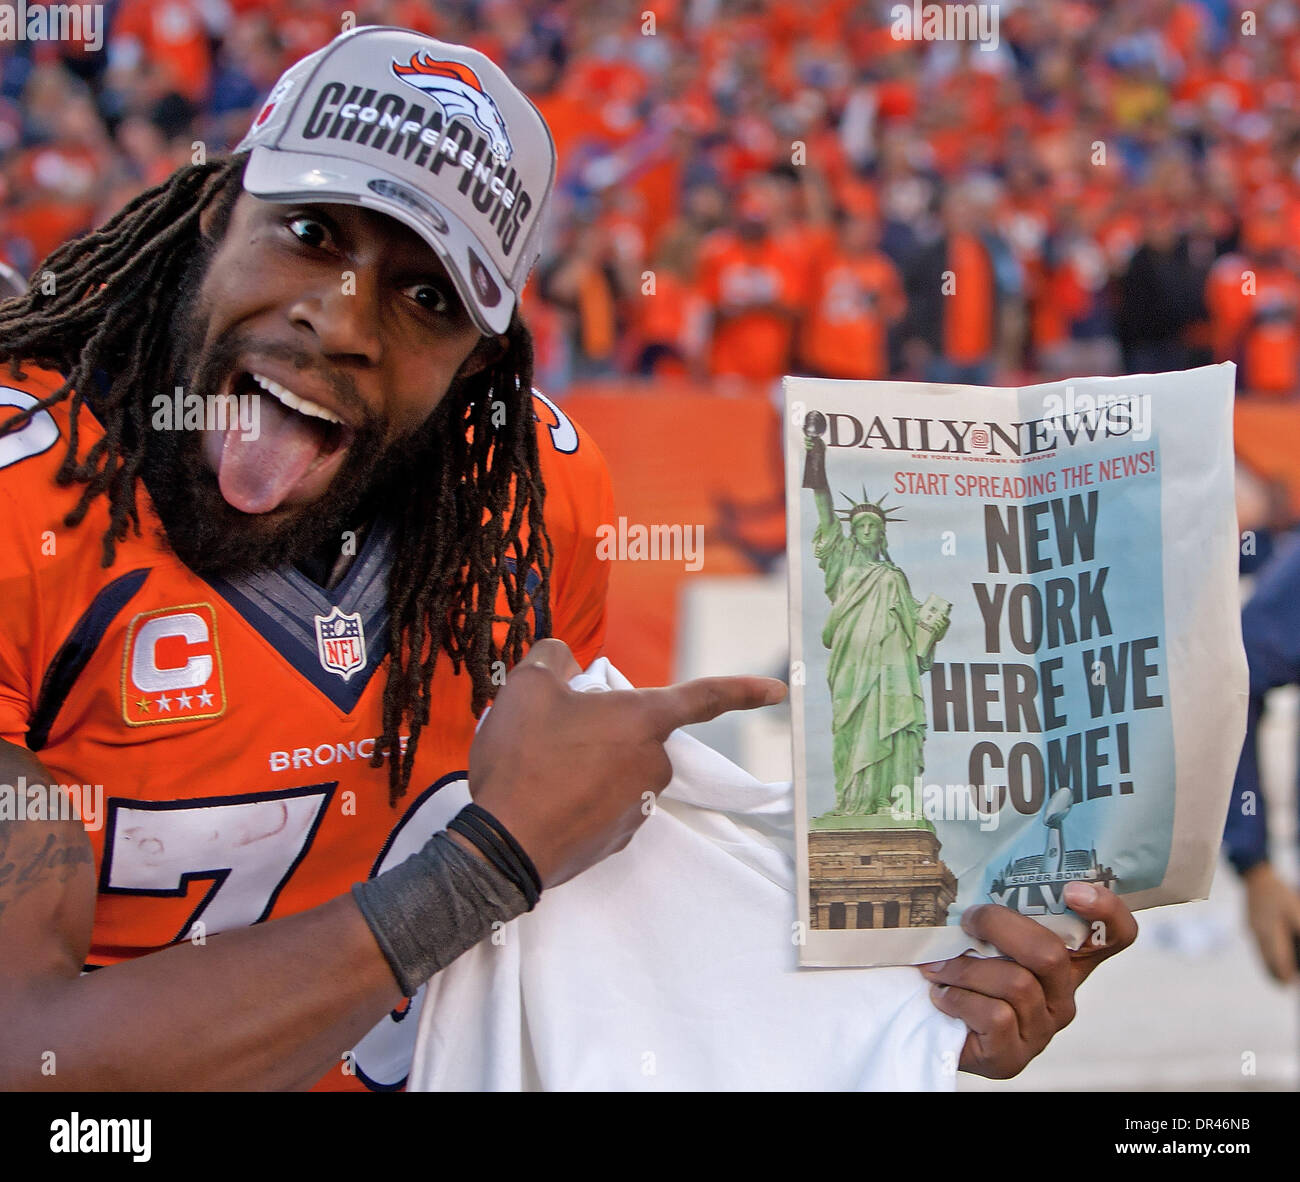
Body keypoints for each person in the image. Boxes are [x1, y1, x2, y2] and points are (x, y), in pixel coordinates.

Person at [0, 25, 1134, 1092]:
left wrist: (911, 1007)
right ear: (214, 212)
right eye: (312, 234)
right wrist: (482, 868)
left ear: (476, 355)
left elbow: (589, 905)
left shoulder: (523, 496)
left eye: (425, 296)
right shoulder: (22, 511)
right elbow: (28, 1051)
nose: (343, 322)